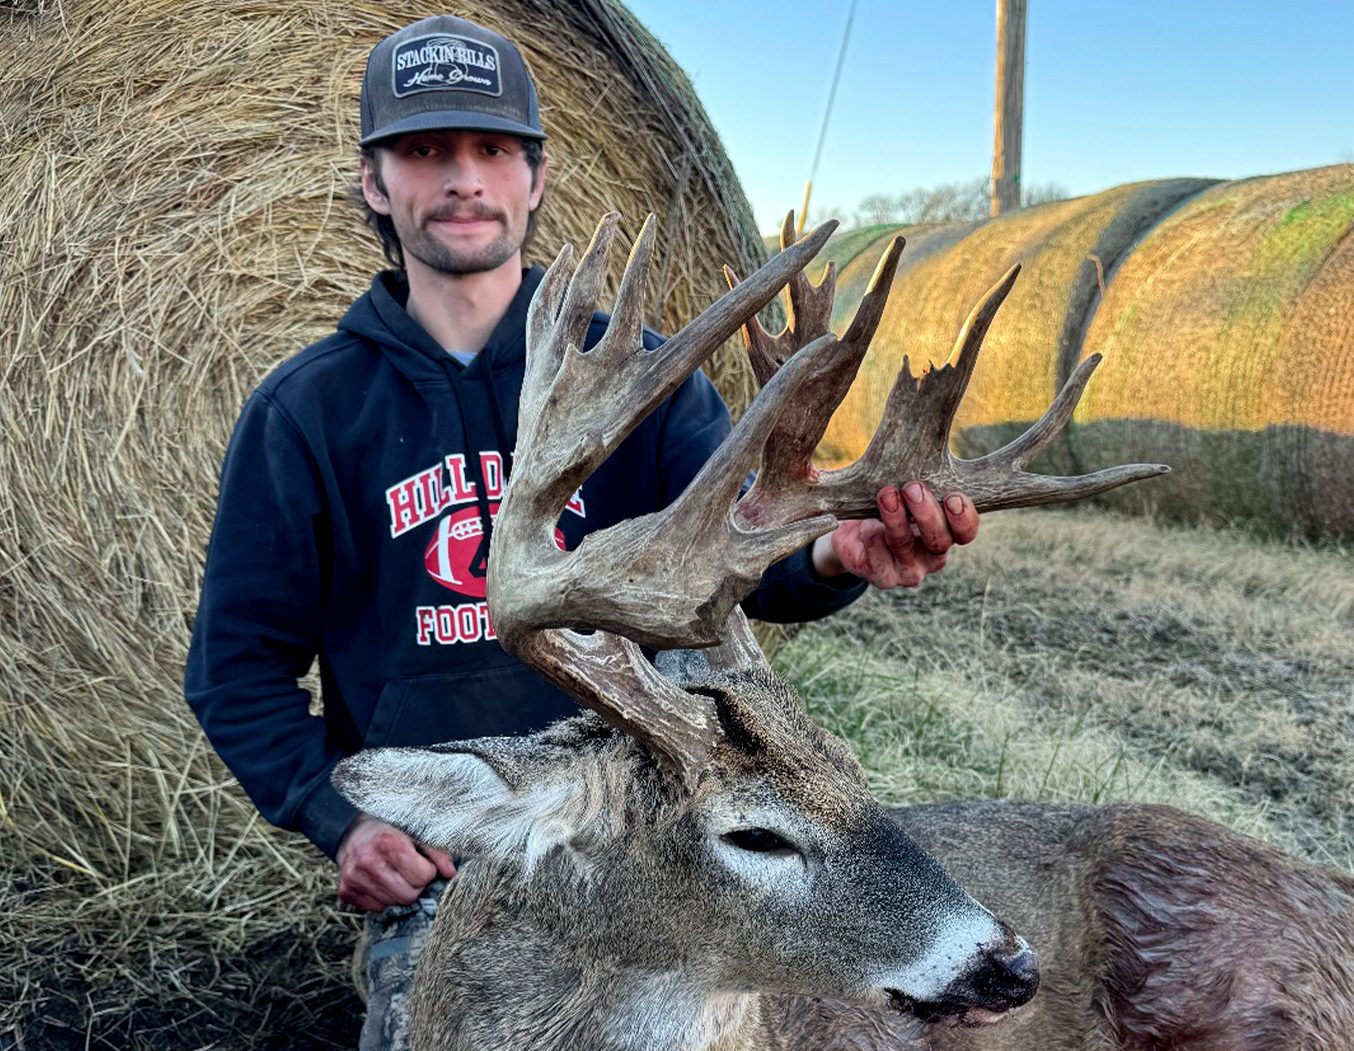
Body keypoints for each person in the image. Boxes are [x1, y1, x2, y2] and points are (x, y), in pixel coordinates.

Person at [184, 14, 981, 1049]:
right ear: (376, 184)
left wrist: (833, 555)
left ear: (538, 177)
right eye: (424, 151)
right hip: (462, 845)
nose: (462, 178)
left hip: (668, 832)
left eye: (491, 150)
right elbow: (235, 670)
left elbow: (742, 566)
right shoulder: (308, 411)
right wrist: (342, 819)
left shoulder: (644, 378)